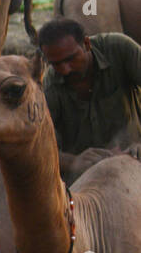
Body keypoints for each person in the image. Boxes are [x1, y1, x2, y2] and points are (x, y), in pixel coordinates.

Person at [37, 18, 141, 183]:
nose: (65, 69)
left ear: (86, 44)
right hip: (85, 179)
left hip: (135, 160)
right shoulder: (49, 87)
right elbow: (37, 147)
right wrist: (72, 161)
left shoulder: (119, 49)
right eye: (56, 64)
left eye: (71, 59)